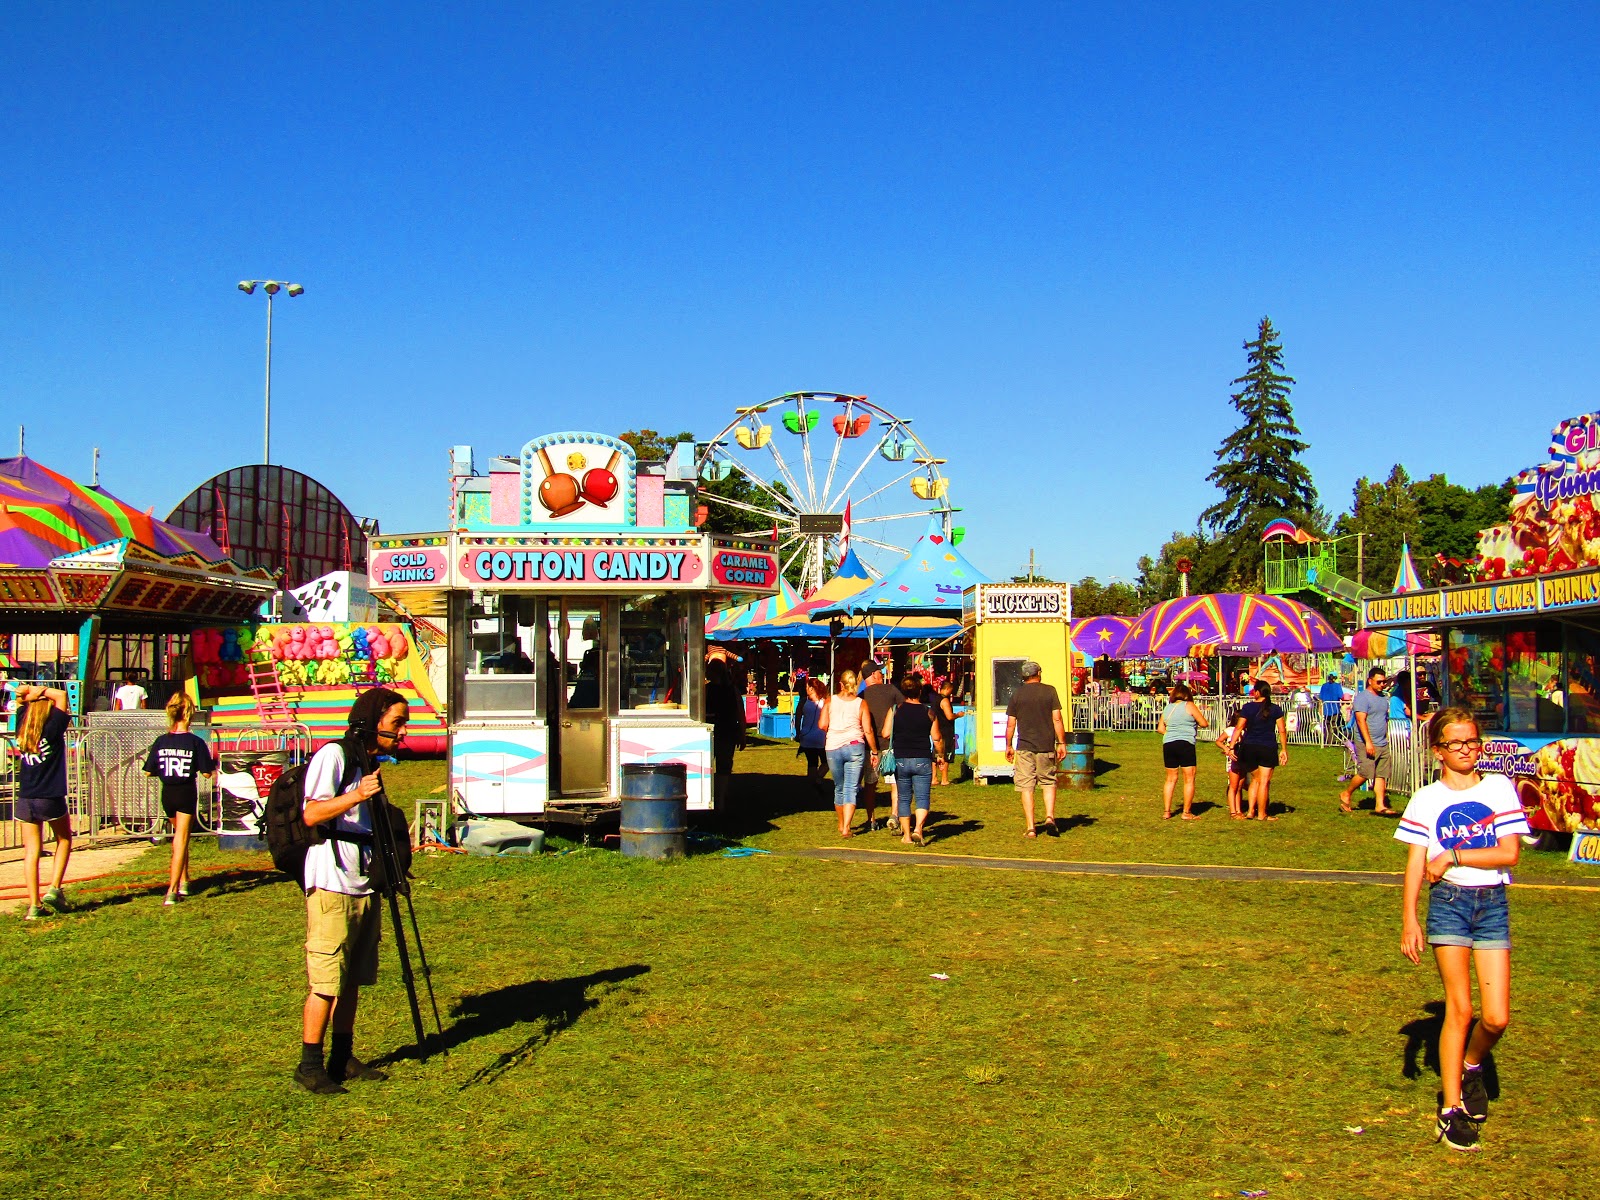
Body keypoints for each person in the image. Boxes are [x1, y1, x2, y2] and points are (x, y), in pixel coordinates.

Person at [1397, 707, 1529, 1152]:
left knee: (1496, 1017)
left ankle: (1472, 1064)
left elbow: (1509, 853)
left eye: (1473, 741)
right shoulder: (1426, 798)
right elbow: (1416, 861)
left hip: (1491, 903)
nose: (1467, 750)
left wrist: (1452, 856)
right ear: (1438, 750)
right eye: (1456, 743)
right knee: (1460, 1008)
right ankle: (1451, 1107)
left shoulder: (1498, 788)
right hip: (1449, 905)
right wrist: (1410, 918)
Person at [295, 687, 409, 1096]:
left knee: (353, 976)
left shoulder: (368, 761)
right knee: (326, 978)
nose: (403, 732)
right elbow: (311, 812)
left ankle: (341, 1057)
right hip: (331, 880)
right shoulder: (334, 756)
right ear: (372, 720)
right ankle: (309, 1065)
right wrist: (356, 795)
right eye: (396, 723)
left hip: (364, 879)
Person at [142, 693, 217, 905]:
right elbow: (206, 773)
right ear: (189, 714)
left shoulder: (161, 741)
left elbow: (148, 771)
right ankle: (172, 890)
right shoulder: (195, 742)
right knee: (181, 841)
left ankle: (184, 880)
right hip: (185, 792)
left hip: (167, 793)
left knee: (178, 839)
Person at [12, 684, 74, 920]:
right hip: (50, 796)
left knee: (32, 851)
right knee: (64, 838)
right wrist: (41, 690)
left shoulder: (22, 725)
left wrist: (27, 691)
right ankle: (55, 888)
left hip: (26, 798)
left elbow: (18, 700)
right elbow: (61, 695)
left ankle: (33, 905)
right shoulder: (53, 727)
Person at [1005, 661, 1066, 838]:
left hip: (1024, 747)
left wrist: (1008, 745)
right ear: (1038, 673)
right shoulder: (1050, 691)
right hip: (1046, 745)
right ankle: (1049, 817)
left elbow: (1011, 724)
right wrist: (1061, 742)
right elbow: (1057, 719)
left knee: (1026, 785)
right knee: (1048, 781)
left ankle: (1031, 827)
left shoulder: (1017, 694)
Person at [884, 675, 945, 844]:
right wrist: (939, 756)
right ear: (920, 691)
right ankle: (918, 828)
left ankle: (906, 836)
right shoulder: (929, 712)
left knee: (903, 797)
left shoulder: (895, 709)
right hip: (922, 759)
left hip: (901, 758)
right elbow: (937, 738)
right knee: (922, 796)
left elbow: (885, 733)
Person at [821, 669, 876, 837]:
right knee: (851, 787)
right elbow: (868, 730)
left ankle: (841, 823)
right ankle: (846, 827)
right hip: (855, 746)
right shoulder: (861, 703)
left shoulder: (830, 701)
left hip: (833, 746)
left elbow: (822, 724)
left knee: (839, 787)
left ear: (840, 684)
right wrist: (874, 750)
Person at [1340, 667, 1396, 816]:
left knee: (1381, 774)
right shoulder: (1362, 698)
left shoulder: (1384, 698)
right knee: (1366, 772)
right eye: (1379, 682)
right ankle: (1347, 793)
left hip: (1382, 742)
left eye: (1384, 682)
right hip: (1366, 742)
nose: (1382, 684)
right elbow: (1360, 720)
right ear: (1370, 681)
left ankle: (1380, 805)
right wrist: (1368, 742)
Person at [1231, 680, 1287, 822]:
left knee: (1256, 779)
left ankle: (1250, 811)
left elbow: (1239, 727)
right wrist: (1284, 749)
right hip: (1267, 747)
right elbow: (1282, 730)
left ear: (1257, 692)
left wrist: (1231, 746)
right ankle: (1262, 814)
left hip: (1249, 747)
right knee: (1263, 782)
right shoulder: (1275, 709)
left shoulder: (1248, 707)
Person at [858, 663, 904, 831]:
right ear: (874, 675)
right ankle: (894, 815)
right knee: (895, 783)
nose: (882, 674)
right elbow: (903, 707)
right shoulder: (891, 690)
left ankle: (871, 819)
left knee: (870, 784)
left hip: (870, 747)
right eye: (880, 671)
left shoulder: (861, 696)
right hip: (890, 744)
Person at [1157, 682, 1209, 820]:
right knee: (1189, 778)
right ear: (1187, 694)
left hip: (1168, 744)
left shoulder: (1168, 708)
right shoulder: (1189, 705)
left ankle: (1167, 811)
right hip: (1185, 743)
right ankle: (1186, 812)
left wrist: (1172, 732)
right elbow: (1204, 723)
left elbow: (1160, 729)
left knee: (1170, 779)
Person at [703, 659, 746, 809]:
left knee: (708, 764)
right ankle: (720, 799)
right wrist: (742, 733)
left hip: (711, 730)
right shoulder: (733, 690)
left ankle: (713, 797)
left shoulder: (705, 690)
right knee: (724, 766)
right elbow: (741, 713)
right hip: (728, 731)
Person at [792, 677, 829, 790]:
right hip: (821, 737)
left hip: (806, 737)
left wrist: (798, 733)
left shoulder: (804, 701)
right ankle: (818, 779)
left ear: (812, 688)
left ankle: (812, 784)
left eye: (807, 687)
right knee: (827, 762)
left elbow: (797, 718)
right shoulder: (826, 702)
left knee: (812, 763)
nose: (806, 689)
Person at [933, 678, 957, 786]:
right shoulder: (944, 700)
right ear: (947, 689)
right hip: (946, 730)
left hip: (936, 729)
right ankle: (944, 779)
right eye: (951, 690)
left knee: (936, 754)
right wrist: (958, 715)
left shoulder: (935, 699)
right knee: (946, 754)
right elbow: (949, 716)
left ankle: (933, 778)